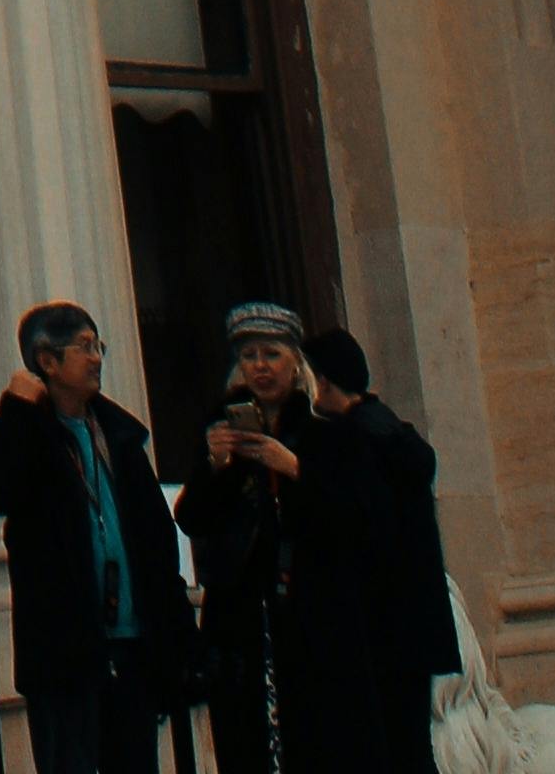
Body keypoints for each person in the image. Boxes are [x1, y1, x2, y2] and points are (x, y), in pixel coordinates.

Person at [0, 300, 193, 774]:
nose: (96, 359)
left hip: (131, 644)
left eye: (99, 346)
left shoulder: (119, 434)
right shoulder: (28, 433)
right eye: (84, 347)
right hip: (64, 653)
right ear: (47, 361)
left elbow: (155, 536)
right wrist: (13, 409)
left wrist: (175, 633)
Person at [275, 330, 458, 774]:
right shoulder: (390, 429)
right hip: (410, 626)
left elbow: (359, 524)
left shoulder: (357, 439)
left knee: (391, 750)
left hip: (378, 624)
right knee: (410, 748)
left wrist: (296, 469)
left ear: (324, 380)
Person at [187, 304, 312, 774]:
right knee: (244, 742)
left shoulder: (317, 429)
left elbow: (342, 513)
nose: (259, 366)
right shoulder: (225, 430)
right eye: (249, 355)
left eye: (271, 354)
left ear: (295, 363)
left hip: (303, 611)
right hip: (239, 617)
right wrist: (216, 465)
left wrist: (295, 468)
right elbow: (193, 518)